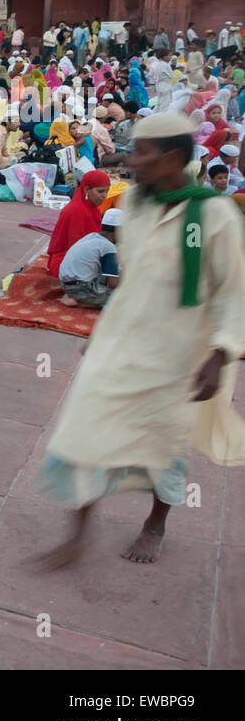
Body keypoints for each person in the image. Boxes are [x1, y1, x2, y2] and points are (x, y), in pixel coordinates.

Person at [36, 112, 245, 568]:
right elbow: (132, 280)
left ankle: (156, 523)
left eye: (142, 152)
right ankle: (79, 532)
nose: (131, 161)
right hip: (124, 342)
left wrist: (221, 354)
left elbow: (233, 292)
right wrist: (105, 330)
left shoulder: (216, 214)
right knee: (89, 428)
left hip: (181, 355)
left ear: (172, 157)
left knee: (164, 443)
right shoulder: (134, 205)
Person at [46, 169, 111, 276]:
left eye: (106, 191)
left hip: (80, 258)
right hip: (66, 263)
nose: (104, 196)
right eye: (100, 191)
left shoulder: (91, 208)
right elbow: (77, 250)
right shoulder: (77, 211)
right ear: (86, 190)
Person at [59, 208, 123, 307]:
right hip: (82, 288)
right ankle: (81, 303)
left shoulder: (92, 236)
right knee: (120, 300)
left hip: (65, 285)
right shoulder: (109, 247)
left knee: (110, 271)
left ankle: (73, 296)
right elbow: (113, 284)